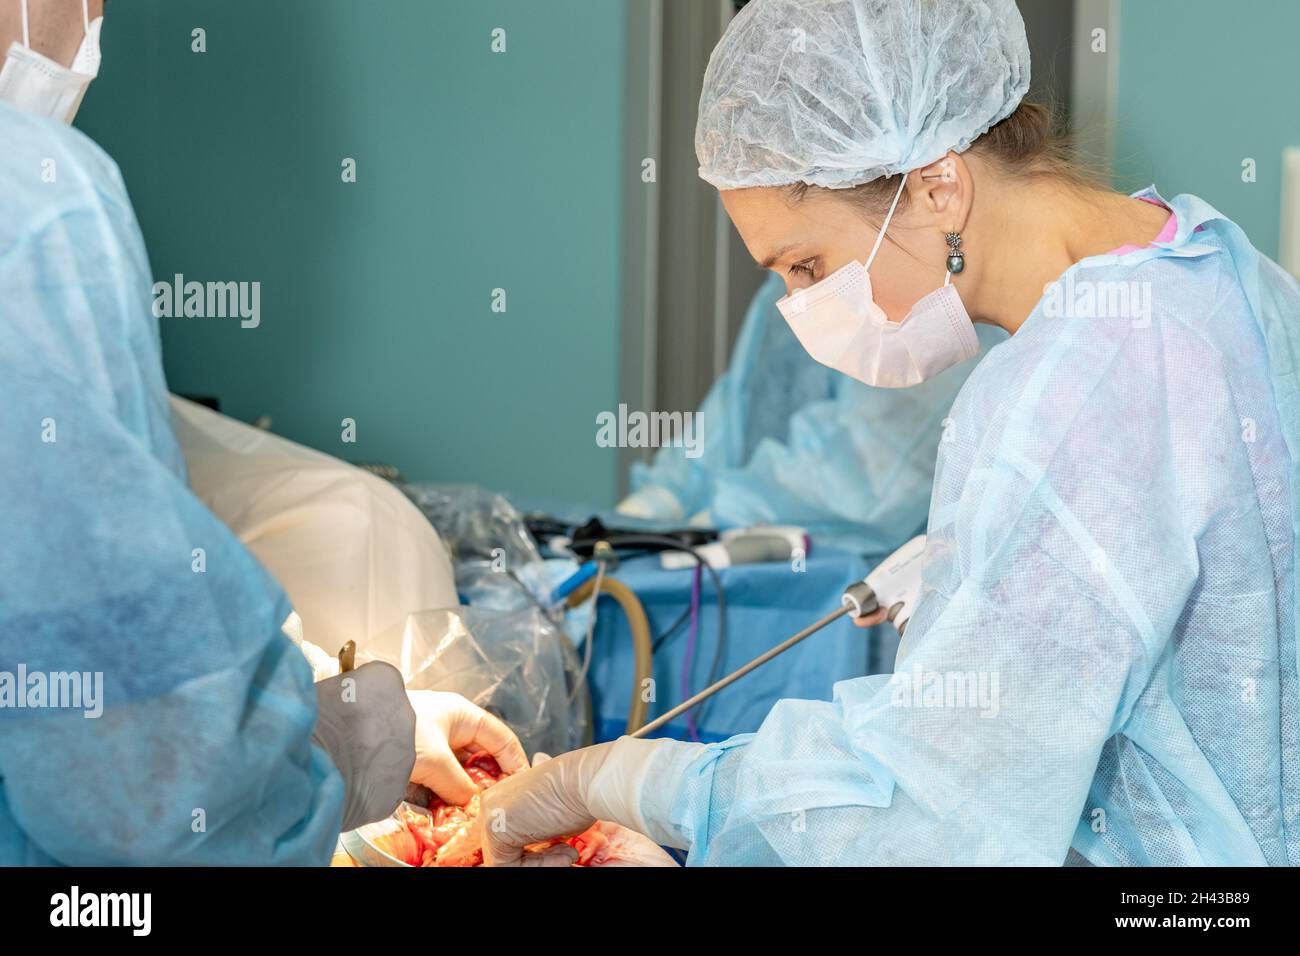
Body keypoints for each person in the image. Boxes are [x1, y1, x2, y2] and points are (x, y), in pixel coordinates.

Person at [480, 0, 1300, 866]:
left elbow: (932, 817)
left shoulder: (1067, 394)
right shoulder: (1224, 266)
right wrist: (987, 566)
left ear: (940, 185)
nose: (802, 310)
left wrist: (625, 784)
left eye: (807, 267)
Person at [0, 0, 523, 864]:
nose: (94, 19)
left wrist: (377, 724)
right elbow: (142, 788)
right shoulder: (36, 210)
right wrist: (357, 741)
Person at [618, 272, 1001, 553]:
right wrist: (661, 502)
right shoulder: (788, 282)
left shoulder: (938, 314)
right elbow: (740, 404)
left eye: (805, 262)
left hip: (854, 590)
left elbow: (868, 479)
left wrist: (720, 516)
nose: (793, 287)